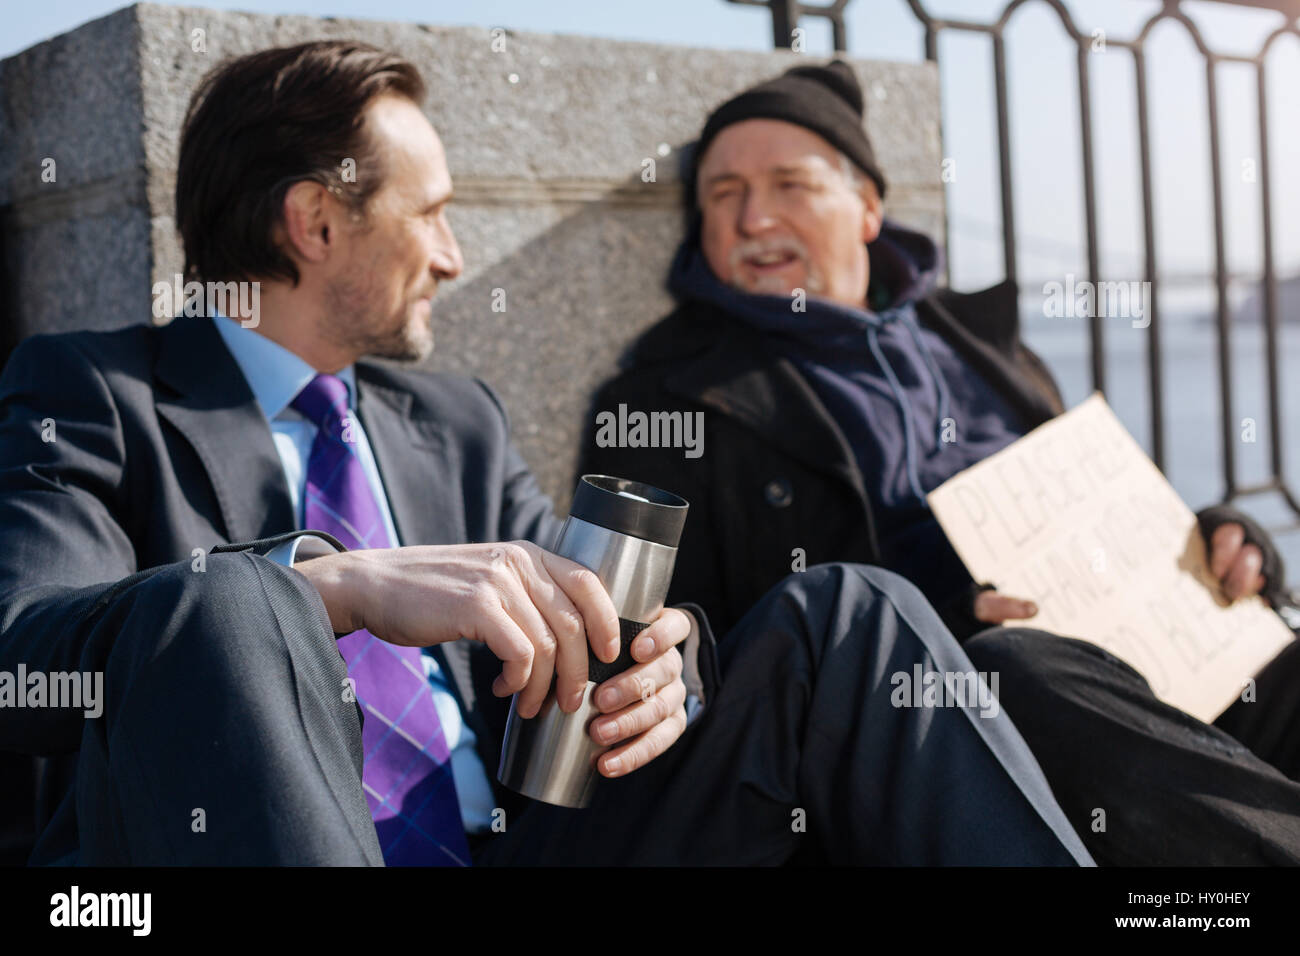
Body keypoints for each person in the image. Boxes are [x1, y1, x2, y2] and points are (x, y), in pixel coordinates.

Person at [0, 41, 1091, 866]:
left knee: (853, 613)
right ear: (316, 224)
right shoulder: (96, 394)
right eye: (428, 215)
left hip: (535, 844)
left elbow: (581, 632)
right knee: (237, 605)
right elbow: (23, 665)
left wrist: (671, 664)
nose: (452, 254)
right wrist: (322, 587)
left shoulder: (454, 419)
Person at [580, 59, 1300, 865]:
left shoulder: (986, 346)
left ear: (867, 208)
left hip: (1138, 666)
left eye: (790, 185)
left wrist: (1217, 545)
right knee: (1012, 673)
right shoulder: (666, 400)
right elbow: (667, 653)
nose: (752, 217)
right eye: (723, 194)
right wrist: (944, 617)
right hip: (945, 722)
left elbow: (1106, 511)